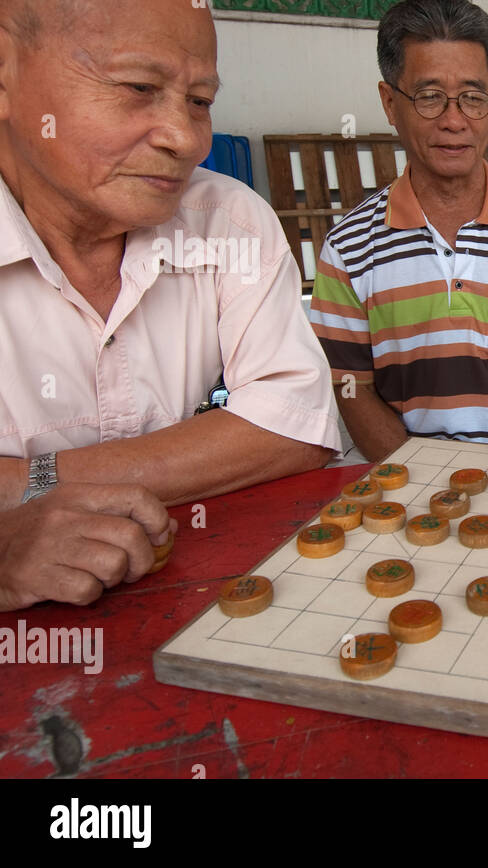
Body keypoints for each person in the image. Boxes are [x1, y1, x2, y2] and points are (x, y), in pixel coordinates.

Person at [0, 0, 341, 609]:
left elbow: (293, 429)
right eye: (138, 87)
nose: (185, 139)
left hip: (185, 604)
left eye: (200, 101)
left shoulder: (225, 220)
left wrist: (29, 482)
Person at [310, 0, 488, 460]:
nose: (454, 120)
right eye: (428, 97)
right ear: (390, 103)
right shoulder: (347, 248)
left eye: (472, 96)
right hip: (408, 477)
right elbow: (352, 387)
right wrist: (415, 480)